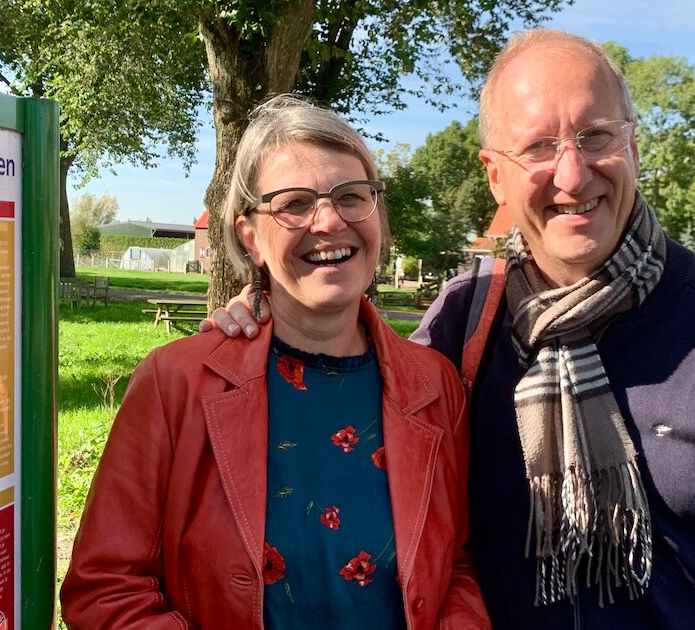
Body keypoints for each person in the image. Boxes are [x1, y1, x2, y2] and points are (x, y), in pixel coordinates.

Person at [202, 30, 695, 629]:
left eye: (596, 136)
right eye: (538, 147)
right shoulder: (462, 324)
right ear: (496, 177)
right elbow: (353, 417)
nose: (572, 172)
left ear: (634, 145)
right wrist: (269, 314)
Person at [60, 95, 490, 629]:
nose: (329, 221)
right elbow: (105, 591)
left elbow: (458, 567)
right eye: (294, 204)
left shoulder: (434, 385)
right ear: (250, 237)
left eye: (352, 196)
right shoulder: (178, 383)